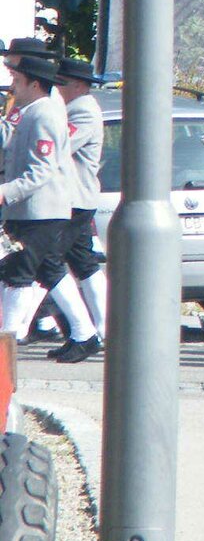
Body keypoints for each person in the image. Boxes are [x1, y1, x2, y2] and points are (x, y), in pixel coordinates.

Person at [0, 52, 99, 356]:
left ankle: (7, 341)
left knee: (18, 273)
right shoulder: (31, 111)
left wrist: (6, 192)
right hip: (31, 211)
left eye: (17, 81)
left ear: (34, 83)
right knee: (46, 270)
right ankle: (84, 333)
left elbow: (42, 169)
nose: (12, 87)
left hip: (40, 211)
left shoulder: (44, 114)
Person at [51, 56, 110, 355]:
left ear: (77, 84)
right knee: (84, 265)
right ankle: (102, 330)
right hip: (73, 198)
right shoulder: (70, 108)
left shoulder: (83, 110)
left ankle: (84, 331)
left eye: (61, 81)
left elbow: (60, 146)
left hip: (74, 198)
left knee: (46, 262)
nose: (57, 86)